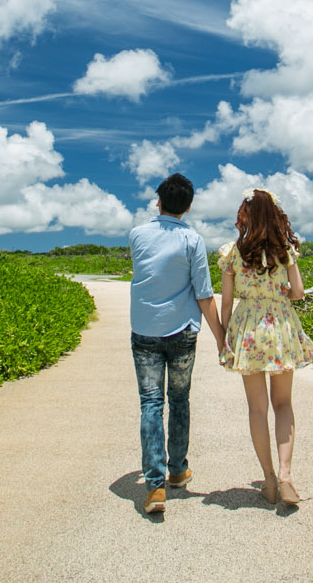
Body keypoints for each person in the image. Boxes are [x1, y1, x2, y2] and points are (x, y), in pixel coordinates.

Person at [128, 173, 225, 515]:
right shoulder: (192, 239)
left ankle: (154, 486)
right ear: (188, 206)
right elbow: (203, 293)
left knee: (151, 404)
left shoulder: (137, 235)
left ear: (158, 200)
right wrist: (222, 338)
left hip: (144, 331)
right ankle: (178, 470)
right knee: (179, 400)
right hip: (182, 332)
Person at [218, 187, 313, 506]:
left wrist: (223, 338)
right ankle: (287, 477)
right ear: (274, 216)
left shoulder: (233, 252)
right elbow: (299, 292)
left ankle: (269, 479)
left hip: (248, 328)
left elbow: (227, 301)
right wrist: (282, 293)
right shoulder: (285, 250)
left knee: (257, 408)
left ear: (246, 215)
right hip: (280, 327)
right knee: (284, 404)